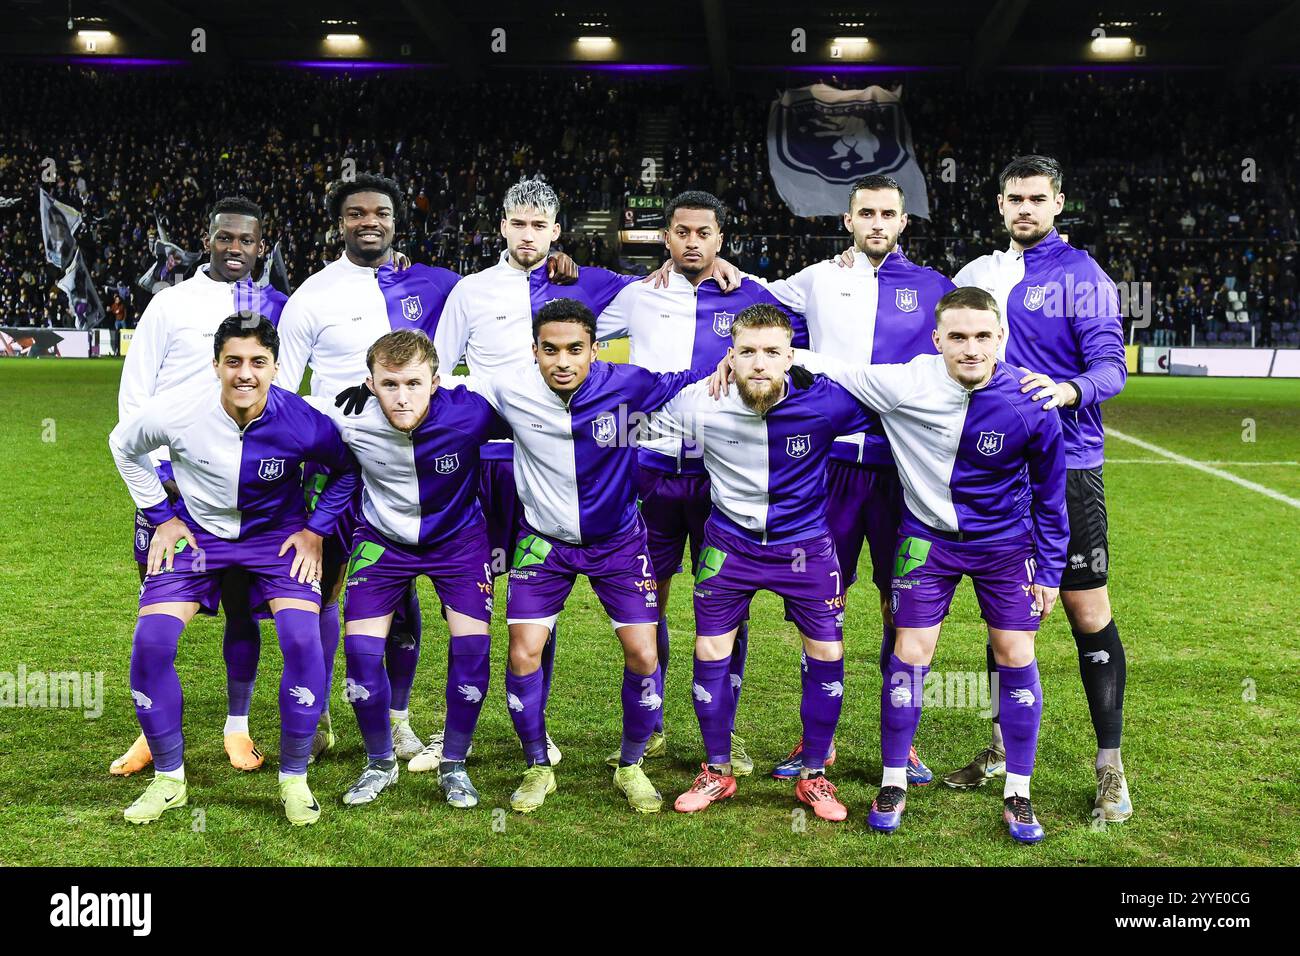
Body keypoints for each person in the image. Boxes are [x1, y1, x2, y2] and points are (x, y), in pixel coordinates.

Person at [419, 177, 740, 773]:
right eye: (519, 223)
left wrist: (720, 268)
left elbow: (652, 297)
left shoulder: (586, 284)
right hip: (491, 457)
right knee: (470, 594)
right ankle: (457, 730)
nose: (529, 235)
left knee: (568, 592)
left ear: (557, 231)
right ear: (502, 226)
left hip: (584, 459)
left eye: (540, 226)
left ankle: (641, 739)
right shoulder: (472, 290)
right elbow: (437, 366)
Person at [788, 287, 1069, 842]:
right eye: (958, 337)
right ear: (937, 338)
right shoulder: (907, 382)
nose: (970, 348)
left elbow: (1051, 496)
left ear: (1001, 338)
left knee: (1015, 652)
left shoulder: (1032, 403)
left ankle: (1019, 792)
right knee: (910, 652)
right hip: (927, 544)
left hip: (1005, 548)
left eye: (982, 336)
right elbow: (835, 367)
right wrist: (768, 353)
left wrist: (1053, 570)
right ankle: (893, 780)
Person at [457, 298, 712, 815]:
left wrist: (734, 361)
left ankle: (631, 764)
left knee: (643, 653)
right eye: (550, 350)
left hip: (618, 543)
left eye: (575, 349)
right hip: (542, 544)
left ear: (595, 350)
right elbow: (441, 397)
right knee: (523, 651)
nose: (563, 361)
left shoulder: (628, 384)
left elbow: (689, 377)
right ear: (534, 351)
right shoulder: (510, 388)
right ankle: (537, 767)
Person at [108, 314, 357, 825]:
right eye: (234, 361)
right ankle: (169, 780)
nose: (245, 374)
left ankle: (293, 779)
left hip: (275, 541)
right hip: (199, 538)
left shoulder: (303, 420)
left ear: (276, 366)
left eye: (258, 362)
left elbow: (347, 470)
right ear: (216, 364)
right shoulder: (179, 410)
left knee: (302, 641)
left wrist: (315, 529)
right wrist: (162, 517)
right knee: (151, 644)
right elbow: (122, 446)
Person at [277, 173, 492, 765]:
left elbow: (505, 296)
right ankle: (315, 711)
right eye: (355, 212)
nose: (368, 220)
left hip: (420, 469)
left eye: (380, 211)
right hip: (343, 465)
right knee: (321, 593)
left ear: (398, 220)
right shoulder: (311, 296)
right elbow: (281, 391)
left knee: (400, 599)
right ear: (338, 222)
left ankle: (396, 722)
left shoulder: (440, 284)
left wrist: (554, 265)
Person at [595, 189, 810, 773]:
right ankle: (651, 719)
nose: (692, 242)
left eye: (704, 233)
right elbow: (577, 324)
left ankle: (726, 733)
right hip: (652, 469)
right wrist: (562, 265)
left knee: (729, 608)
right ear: (666, 238)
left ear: (721, 239)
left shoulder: (751, 297)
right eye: (681, 231)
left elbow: (798, 348)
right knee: (648, 602)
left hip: (721, 475)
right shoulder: (635, 295)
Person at [949, 155, 1132, 822]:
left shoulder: (1081, 277)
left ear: (1057, 205)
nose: (1025, 208)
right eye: (1014, 198)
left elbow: (1111, 367)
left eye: (1037, 198)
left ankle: (1110, 768)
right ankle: (999, 747)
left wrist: (1067, 389)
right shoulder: (980, 275)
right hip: (997, 470)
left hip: (1068, 466)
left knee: (1087, 612)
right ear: (999, 205)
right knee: (1006, 615)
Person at [760, 173, 954, 782]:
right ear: (849, 220)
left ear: (902, 222)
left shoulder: (934, 289)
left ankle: (905, 741)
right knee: (821, 604)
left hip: (905, 470)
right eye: (865, 212)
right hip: (831, 470)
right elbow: (747, 293)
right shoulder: (819, 278)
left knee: (905, 610)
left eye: (887, 213)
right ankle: (816, 740)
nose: (875, 222)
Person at [660, 304, 876, 822]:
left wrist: (812, 364)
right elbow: (636, 405)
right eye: (747, 352)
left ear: (790, 357)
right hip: (729, 546)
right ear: (729, 357)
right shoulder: (699, 403)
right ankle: (717, 770)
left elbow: (889, 394)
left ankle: (815, 775)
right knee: (711, 647)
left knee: (825, 649)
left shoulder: (826, 404)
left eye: (773, 352)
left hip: (805, 548)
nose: (759, 363)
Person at [110, 196, 288, 778]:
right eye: (224, 238)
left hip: (242, 488)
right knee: (158, 606)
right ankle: (149, 730)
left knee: (242, 606)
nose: (234, 248)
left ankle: (237, 726)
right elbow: (135, 396)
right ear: (206, 240)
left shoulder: (274, 305)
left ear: (261, 246)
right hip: (171, 485)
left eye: (246, 240)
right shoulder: (170, 303)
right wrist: (159, 488)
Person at [307, 330, 503, 809]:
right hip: (384, 542)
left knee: (472, 648)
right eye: (389, 384)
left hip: (460, 541)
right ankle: (379, 762)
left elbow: (544, 406)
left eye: (414, 383)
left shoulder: (472, 411)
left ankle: (454, 763)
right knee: (360, 655)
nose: (402, 396)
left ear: (436, 381)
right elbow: (273, 407)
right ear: (369, 383)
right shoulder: (346, 413)